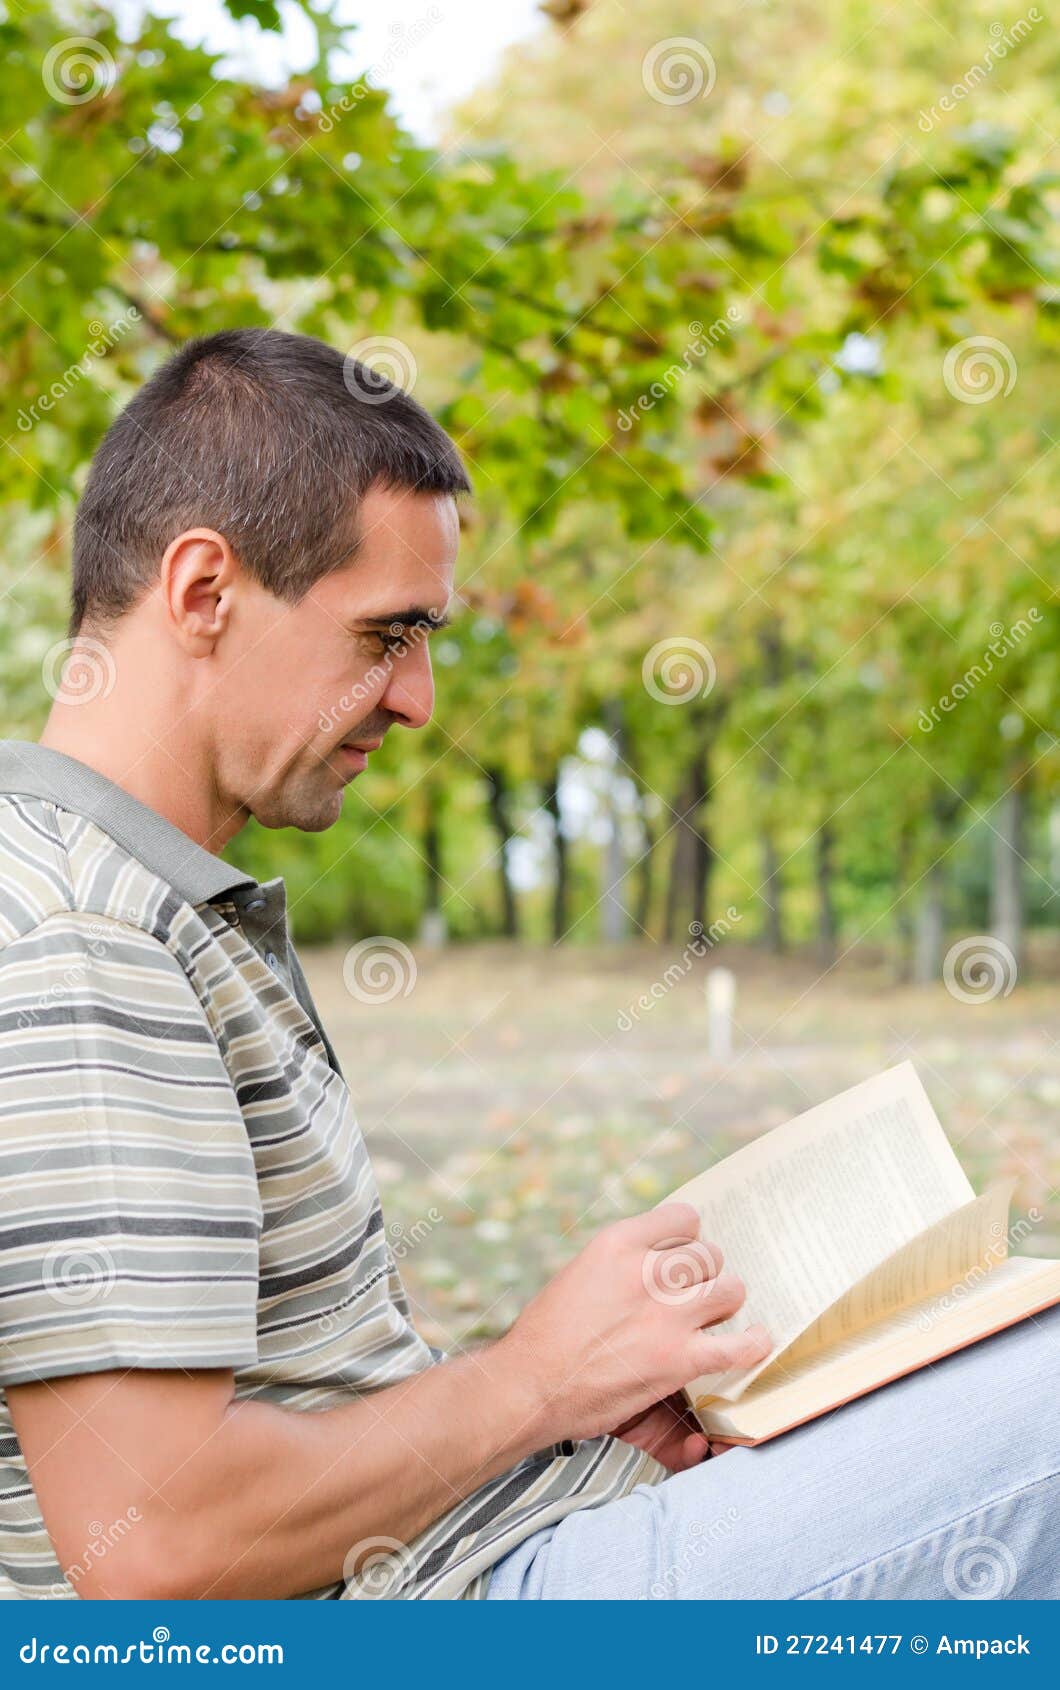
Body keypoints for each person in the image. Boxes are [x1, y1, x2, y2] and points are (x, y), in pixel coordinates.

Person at [0, 329, 1055, 1602]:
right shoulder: (84, 937)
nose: (419, 698)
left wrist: (565, 1423)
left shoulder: (144, 897)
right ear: (204, 590)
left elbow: (295, 1404)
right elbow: (159, 1547)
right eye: (387, 636)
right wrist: (531, 1378)